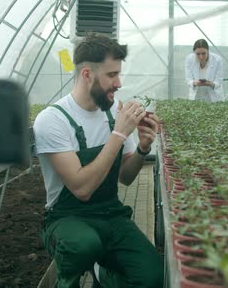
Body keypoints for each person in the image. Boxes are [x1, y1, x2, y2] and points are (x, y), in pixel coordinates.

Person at [33, 33, 163, 288]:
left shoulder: (115, 111)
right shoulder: (53, 120)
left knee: (152, 277)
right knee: (82, 246)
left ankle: (104, 275)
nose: (119, 83)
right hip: (67, 219)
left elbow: (126, 177)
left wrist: (142, 149)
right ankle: (67, 280)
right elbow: (81, 189)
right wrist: (118, 134)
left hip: (110, 215)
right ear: (86, 75)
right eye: (111, 75)